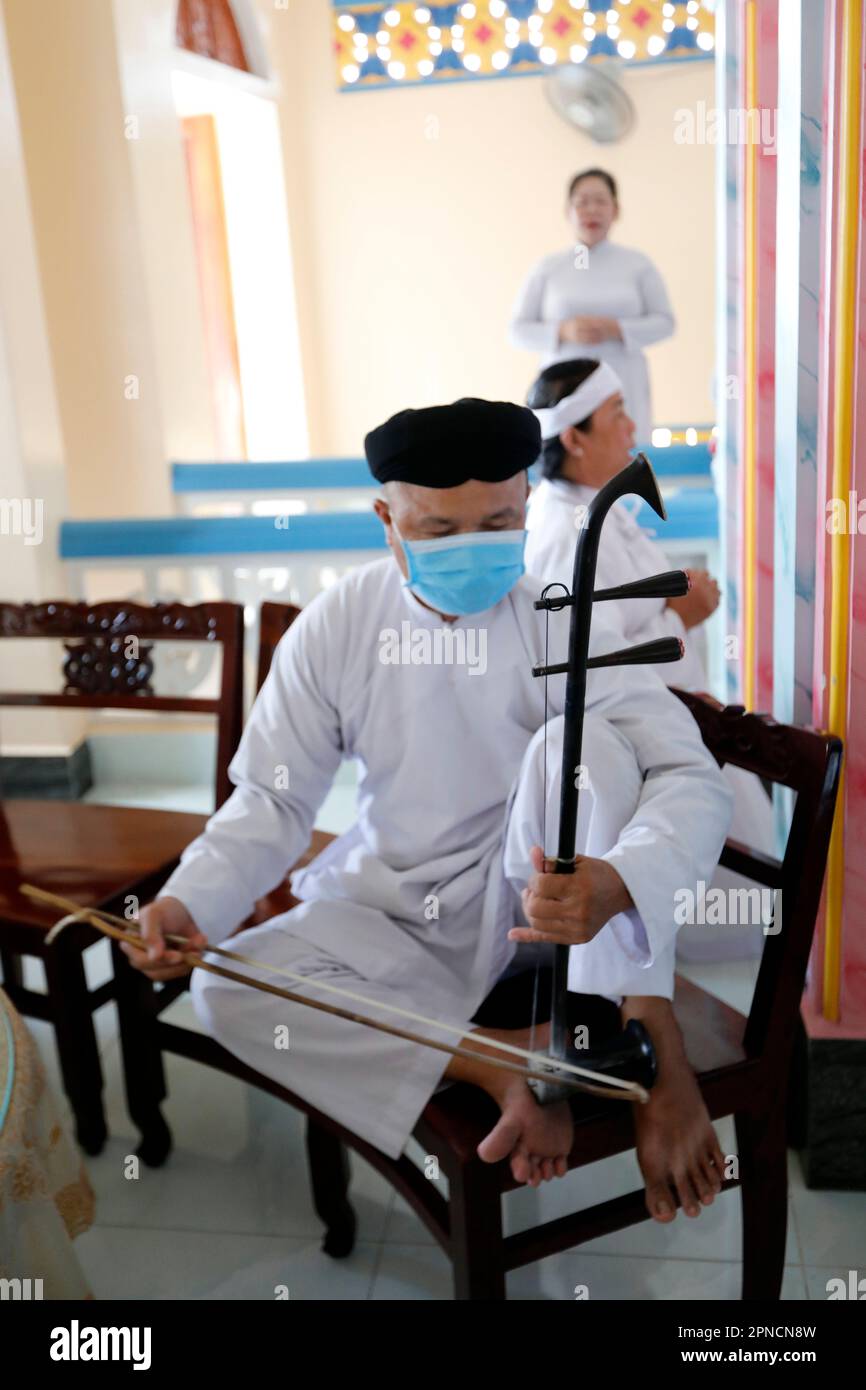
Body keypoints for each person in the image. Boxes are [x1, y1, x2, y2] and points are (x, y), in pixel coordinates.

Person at [124, 398, 733, 1222]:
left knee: (583, 751)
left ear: (526, 504)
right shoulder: (338, 625)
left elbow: (688, 777)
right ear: (388, 521)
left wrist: (622, 879)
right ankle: (502, 1062)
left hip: (536, 923)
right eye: (441, 530)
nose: (473, 546)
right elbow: (272, 796)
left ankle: (651, 1040)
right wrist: (188, 902)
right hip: (396, 907)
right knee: (227, 989)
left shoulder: (563, 617)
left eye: (499, 523)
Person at [524, 359, 776, 962]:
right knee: (705, 920)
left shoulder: (596, 506)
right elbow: (591, 672)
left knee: (746, 905)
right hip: (651, 754)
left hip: (683, 727)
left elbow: (622, 617)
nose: (632, 426)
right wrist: (679, 618)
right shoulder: (566, 531)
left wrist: (670, 602)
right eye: (617, 413)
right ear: (574, 438)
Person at [509, 168, 675, 444]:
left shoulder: (638, 264)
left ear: (616, 209)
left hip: (624, 385)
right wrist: (562, 331)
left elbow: (665, 323)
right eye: (582, 202)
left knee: (623, 456)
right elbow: (516, 330)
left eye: (600, 201)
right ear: (568, 211)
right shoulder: (548, 268)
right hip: (562, 393)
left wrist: (617, 329)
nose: (592, 210)